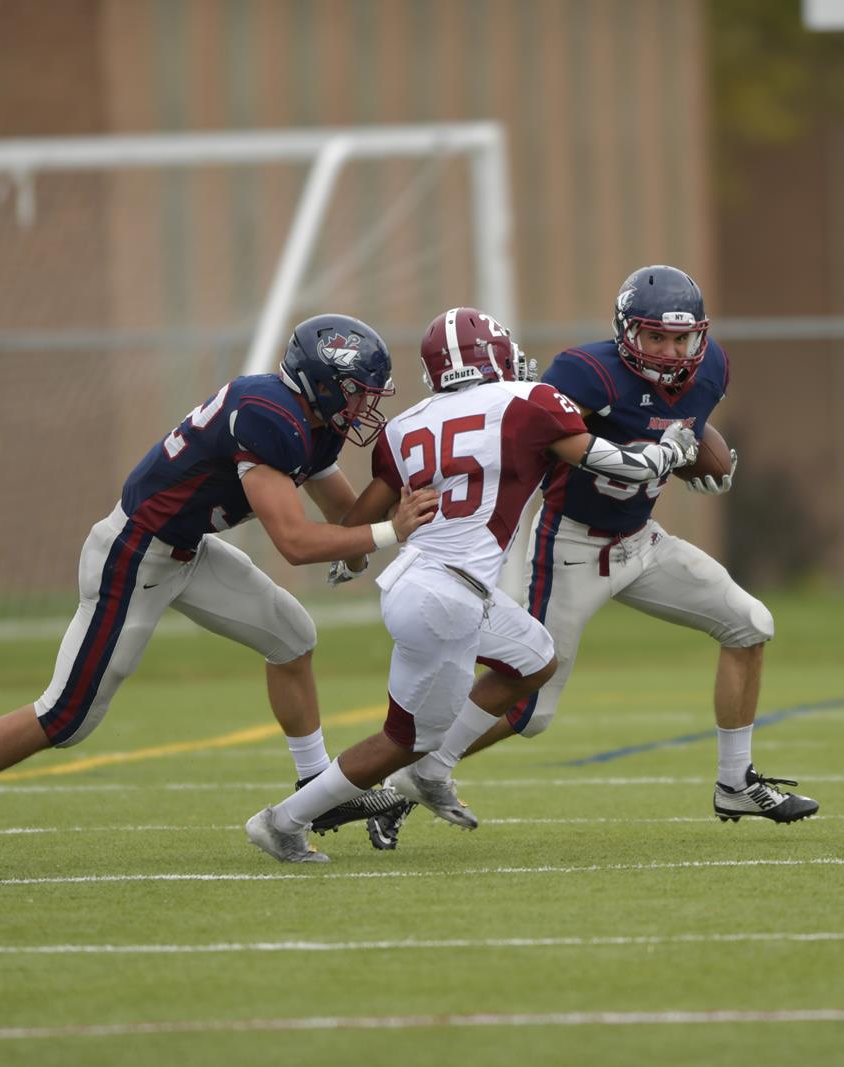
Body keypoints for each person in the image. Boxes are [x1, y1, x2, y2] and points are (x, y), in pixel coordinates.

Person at [0, 313, 439, 870]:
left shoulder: (312, 425)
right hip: (134, 553)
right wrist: (387, 532)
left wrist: (396, 502)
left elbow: (343, 519)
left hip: (187, 549)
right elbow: (293, 542)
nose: (364, 405)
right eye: (356, 391)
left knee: (292, 636)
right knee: (67, 715)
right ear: (321, 382)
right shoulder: (270, 416)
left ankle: (318, 790)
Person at [365, 266, 815, 851]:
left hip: (641, 540)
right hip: (571, 542)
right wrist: (649, 453)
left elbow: (687, 428)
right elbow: (541, 439)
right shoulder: (585, 372)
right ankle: (405, 785)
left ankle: (735, 783)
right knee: (530, 708)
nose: (670, 351)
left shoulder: (712, 369)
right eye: (656, 337)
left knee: (750, 623)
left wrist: (700, 458)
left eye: (681, 338)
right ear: (627, 332)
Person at [243, 306, 698, 862]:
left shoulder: (403, 427)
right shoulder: (529, 402)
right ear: (496, 356)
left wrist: (357, 557)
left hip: (430, 583)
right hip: (447, 597)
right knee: (402, 741)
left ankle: (430, 773)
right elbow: (622, 464)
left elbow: (354, 529)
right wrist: (672, 449)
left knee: (535, 659)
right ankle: (282, 822)